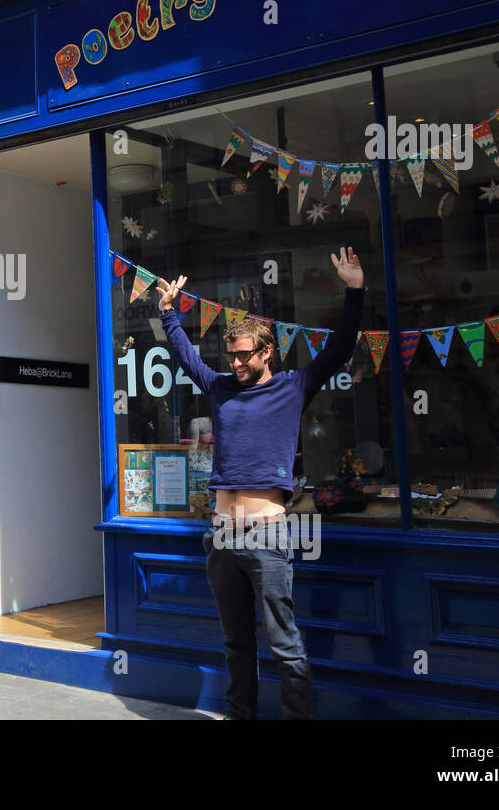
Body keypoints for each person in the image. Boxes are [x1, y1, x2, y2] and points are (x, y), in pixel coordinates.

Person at [157, 246, 365, 720]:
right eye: (230, 357)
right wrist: (168, 312)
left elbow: (337, 349)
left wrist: (354, 292)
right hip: (221, 534)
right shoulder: (221, 388)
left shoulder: (293, 385)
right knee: (236, 641)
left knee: (284, 643)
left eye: (244, 356)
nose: (236, 364)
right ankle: (240, 715)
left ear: (268, 351)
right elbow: (187, 357)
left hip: (267, 532)